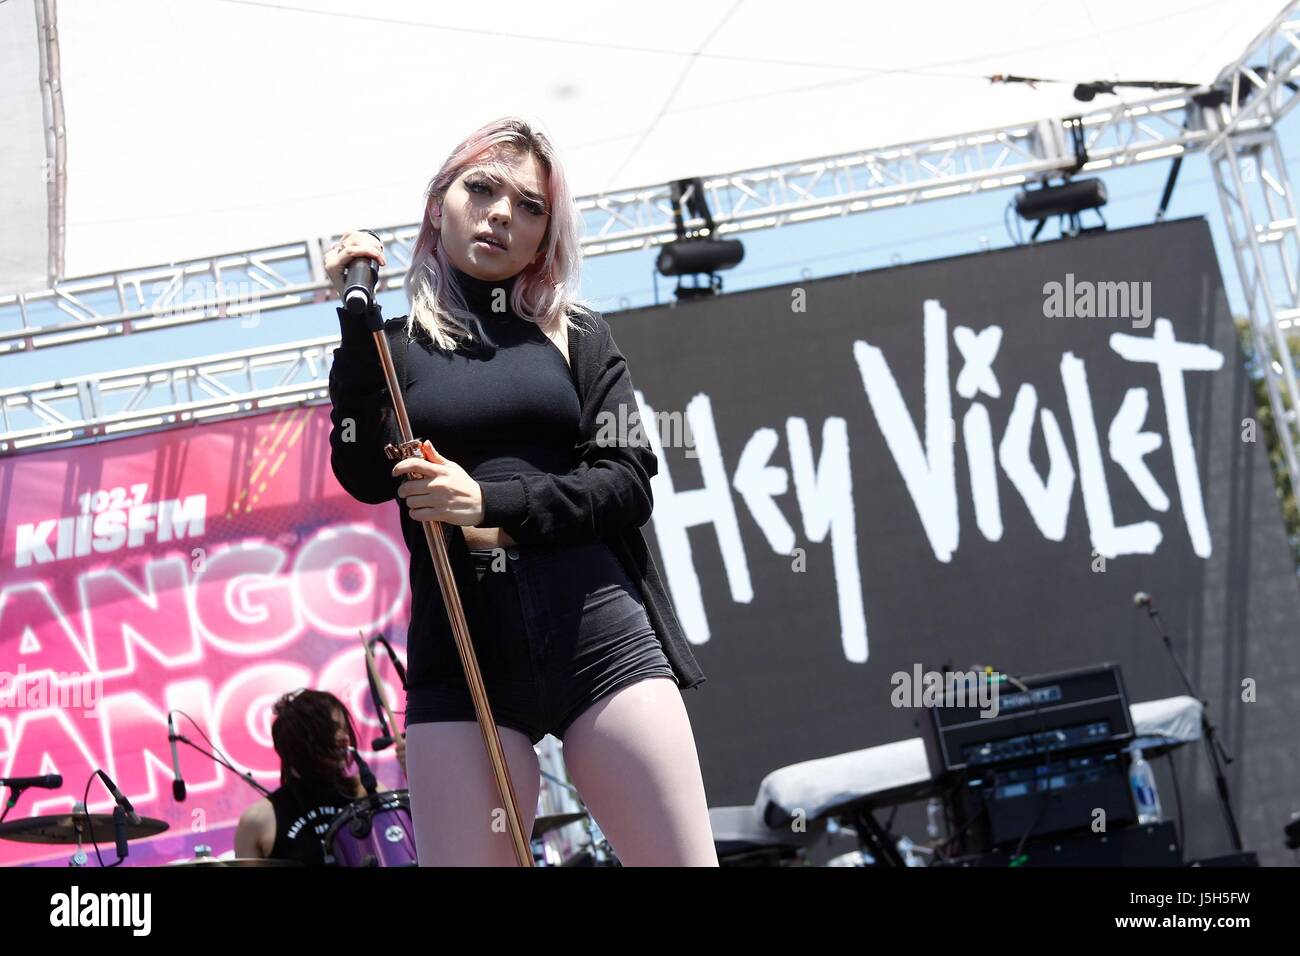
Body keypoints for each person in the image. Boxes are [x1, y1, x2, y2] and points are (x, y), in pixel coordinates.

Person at [324, 116, 717, 866]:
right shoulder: (394, 348)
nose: (503, 213)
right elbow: (362, 472)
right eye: (482, 189)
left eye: (530, 206)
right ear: (440, 205)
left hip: (600, 641)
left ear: (546, 237)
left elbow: (628, 483)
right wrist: (354, 341)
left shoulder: (575, 335)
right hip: (461, 656)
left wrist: (489, 504)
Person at [233, 689, 406, 865]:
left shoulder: (364, 790)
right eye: (331, 730)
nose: (344, 738)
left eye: (345, 729)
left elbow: (403, 843)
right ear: (299, 741)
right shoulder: (257, 820)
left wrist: (411, 772)